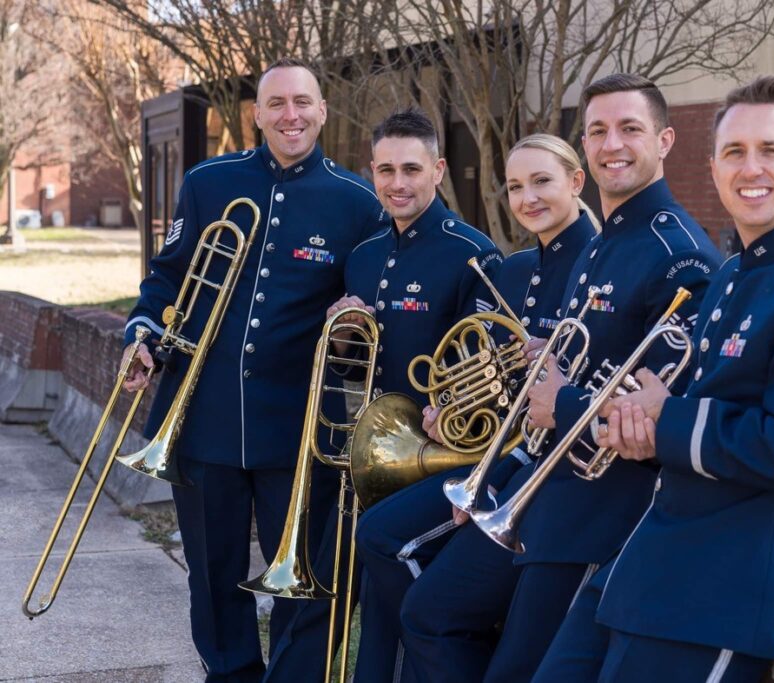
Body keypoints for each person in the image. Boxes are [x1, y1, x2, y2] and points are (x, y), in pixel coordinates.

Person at [534, 75, 774, 682]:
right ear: (714, 167)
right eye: (734, 152)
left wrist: (662, 418)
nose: (750, 168)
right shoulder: (733, 274)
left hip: (733, 586)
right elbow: (690, 405)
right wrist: (638, 417)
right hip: (656, 559)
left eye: (771, 151)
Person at [401, 74, 723, 683]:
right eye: (598, 130)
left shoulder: (680, 255)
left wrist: (563, 399)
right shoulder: (604, 245)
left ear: (665, 140)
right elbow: (585, 364)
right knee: (431, 614)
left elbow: (667, 403)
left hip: (602, 511)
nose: (612, 144)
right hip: (549, 493)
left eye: (630, 128)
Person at [120, 58, 384, 682]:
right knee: (212, 574)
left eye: (302, 102)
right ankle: (230, 674)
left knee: (302, 580)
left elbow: (366, 311)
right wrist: (142, 333)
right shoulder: (209, 181)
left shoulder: (358, 203)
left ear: (321, 110)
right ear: (257, 114)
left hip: (297, 429)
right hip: (204, 415)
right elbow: (167, 276)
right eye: (276, 104)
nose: (290, 115)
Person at [262, 107, 503, 683]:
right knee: (317, 599)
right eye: (387, 169)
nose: (398, 183)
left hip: (425, 467)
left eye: (412, 169)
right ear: (371, 171)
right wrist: (341, 336)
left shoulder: (473, 254)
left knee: (393, 621)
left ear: (439, 170)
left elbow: (484, 379)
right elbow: (348, 373)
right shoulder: (365, 255)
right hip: (359, 461)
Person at [350, 132, 599, 683]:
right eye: (515, 186)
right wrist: (447, 407)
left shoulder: (599, 265)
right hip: (493, 457)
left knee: (392, 552)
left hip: (548, 471)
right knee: (377, 534)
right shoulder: (509, 270)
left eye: (542, 182)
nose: (528, 197)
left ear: (576, 183)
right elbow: (480, 365)